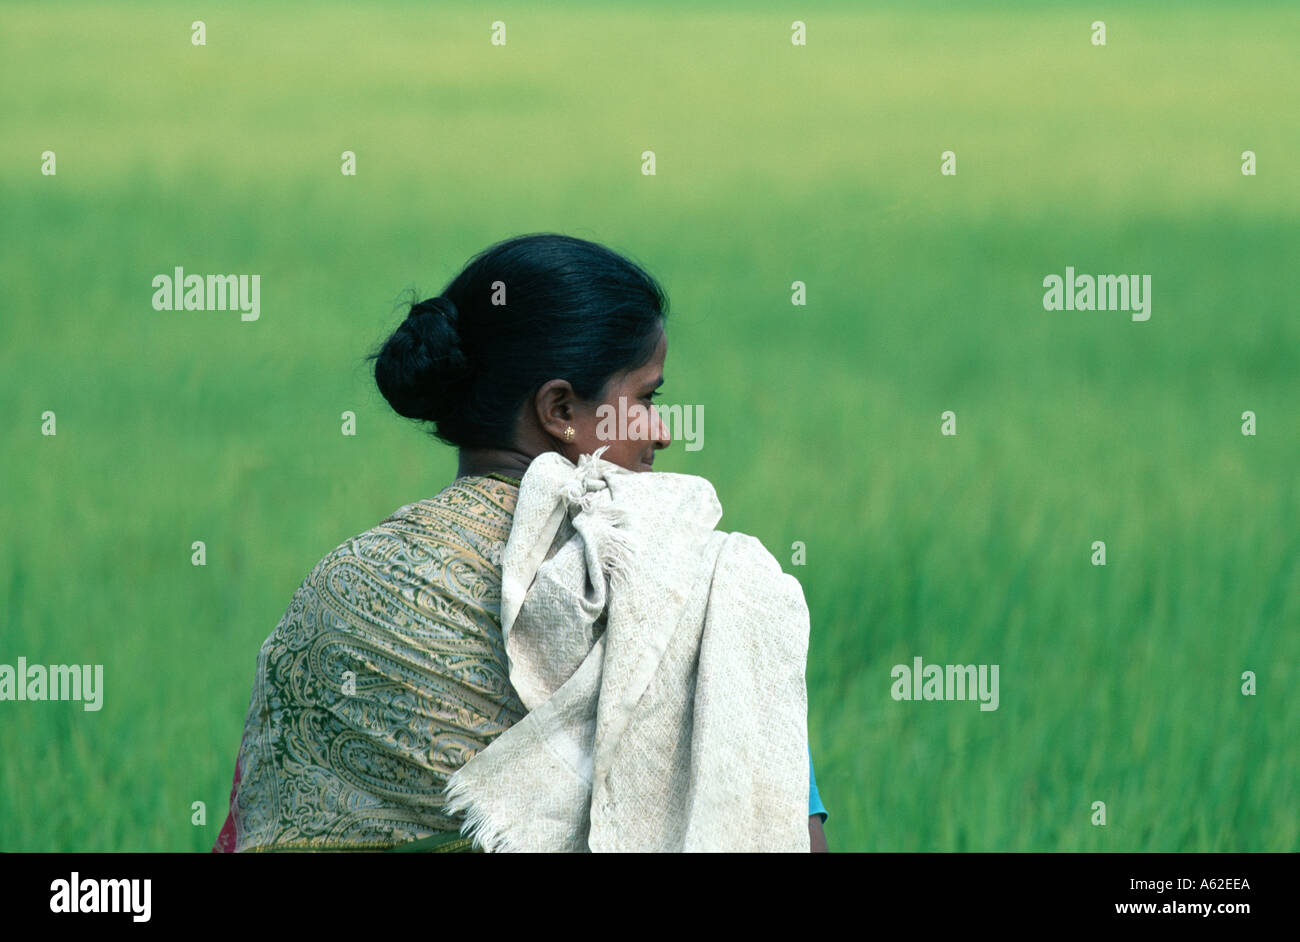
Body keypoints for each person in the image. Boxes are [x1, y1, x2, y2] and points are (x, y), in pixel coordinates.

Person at [213, 232, 827, 852]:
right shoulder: (692, 585)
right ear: (560, 409)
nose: (661, 432)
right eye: (646, 397)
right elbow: (787, 827)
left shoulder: (343, 585)